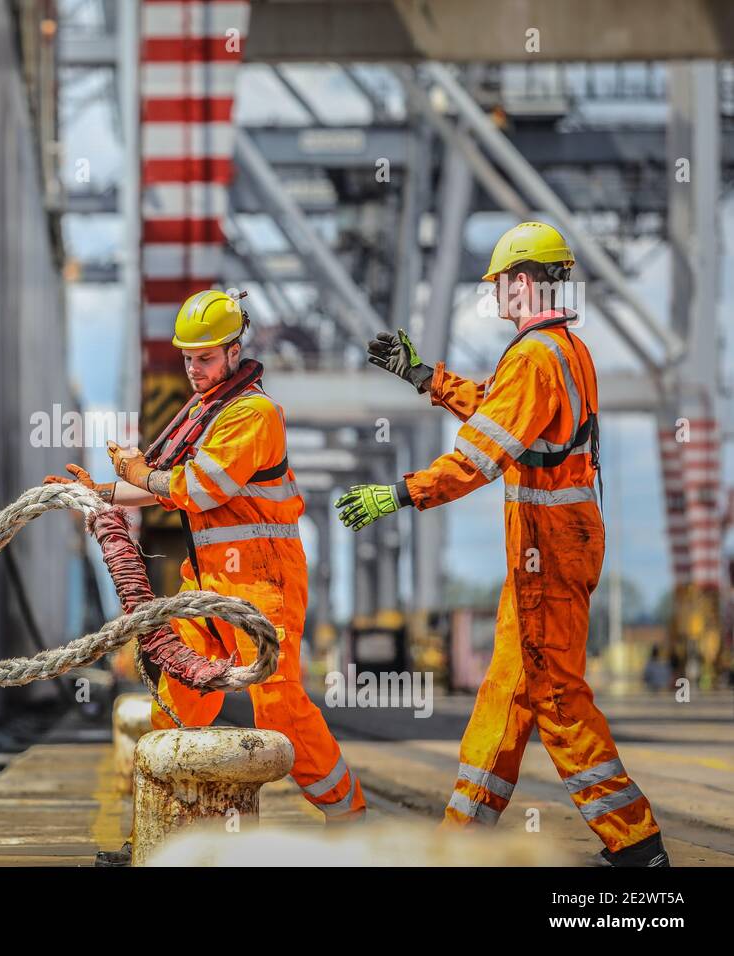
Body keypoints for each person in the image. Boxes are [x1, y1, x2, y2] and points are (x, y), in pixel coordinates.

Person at [338, 221, 669, 866]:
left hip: (548, 553)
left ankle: (637, 850)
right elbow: (499, 408)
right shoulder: (564, 350)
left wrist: (400, 494)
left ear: (521, 283)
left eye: (498, 286)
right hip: (551, 551)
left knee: (557, 701)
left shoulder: (535, 357)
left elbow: (480, 457)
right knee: (504, 698)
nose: (494, 297)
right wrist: (425, 377)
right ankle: (457, 848)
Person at [47, 288, 366, 824]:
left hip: (264, 582)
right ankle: (168, 824)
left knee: (279, 708)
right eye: (188, 358)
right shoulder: (207, 413)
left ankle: (348, 814)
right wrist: (101, 494)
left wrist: (136, 473)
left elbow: (196, 488)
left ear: (234, 351)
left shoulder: (253, 414)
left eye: (206, 358)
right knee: (181, 692)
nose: (195, 369)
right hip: (208, 584)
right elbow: (163, 487)